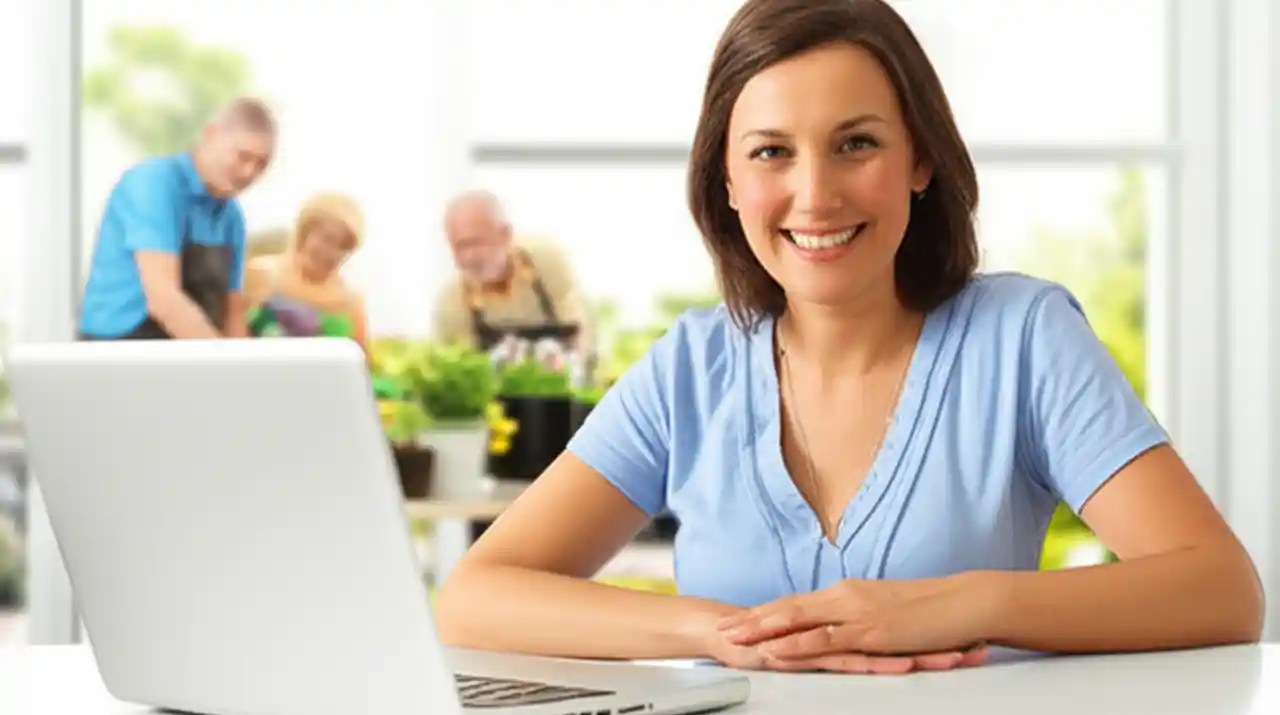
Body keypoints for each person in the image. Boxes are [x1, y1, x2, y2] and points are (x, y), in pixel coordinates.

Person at [436, 0, 1263, 674]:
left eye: (856, 144)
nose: (815, 193)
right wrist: (719, 634)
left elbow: (1221, 590)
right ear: (726, 182)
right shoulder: (692, 367)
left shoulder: (1023, 339)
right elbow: (476, 597)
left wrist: (955, 605)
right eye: (770, 152)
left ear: (920, 160)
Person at [79, 98, 276, 340]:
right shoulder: (154, 184)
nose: (250, 172)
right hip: (117, 353)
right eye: (243, 157)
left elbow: (233, 311)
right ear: (211, 135)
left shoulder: (231, 217)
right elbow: (164, 301)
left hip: (187, 353)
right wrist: (223, 368)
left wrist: (248, 371)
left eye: (261, 164)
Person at [433, 190, 593, 358]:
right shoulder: (452, 302)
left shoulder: (547, 263)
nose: (468, 257)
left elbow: (581, 332)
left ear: (506, 234)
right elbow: (457, 366)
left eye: (476, 243)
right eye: (458, 247)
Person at [244, 192, 369, 351]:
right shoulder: (261, 273)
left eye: (343, 246)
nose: (331, 252)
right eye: (327, 239)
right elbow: (231, 338)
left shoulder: (352, 300)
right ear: (305, 231)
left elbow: (360, 366)